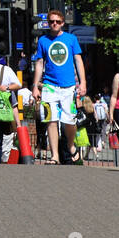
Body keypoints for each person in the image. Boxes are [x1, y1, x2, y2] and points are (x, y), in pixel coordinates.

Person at [31, 9, 86, 165]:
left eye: (57, 21)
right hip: (49, 86)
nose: (54, 24)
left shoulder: (71, 39)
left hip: (68, 87)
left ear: (63, 23)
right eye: (51, 22)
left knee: (69, 120)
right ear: (48, 23)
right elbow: (40, 63)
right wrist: (35, 86)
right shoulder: (43, 41)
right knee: (51, 120)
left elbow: (78, 61)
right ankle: (55, 155)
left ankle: (70, 145)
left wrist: (82, 83)